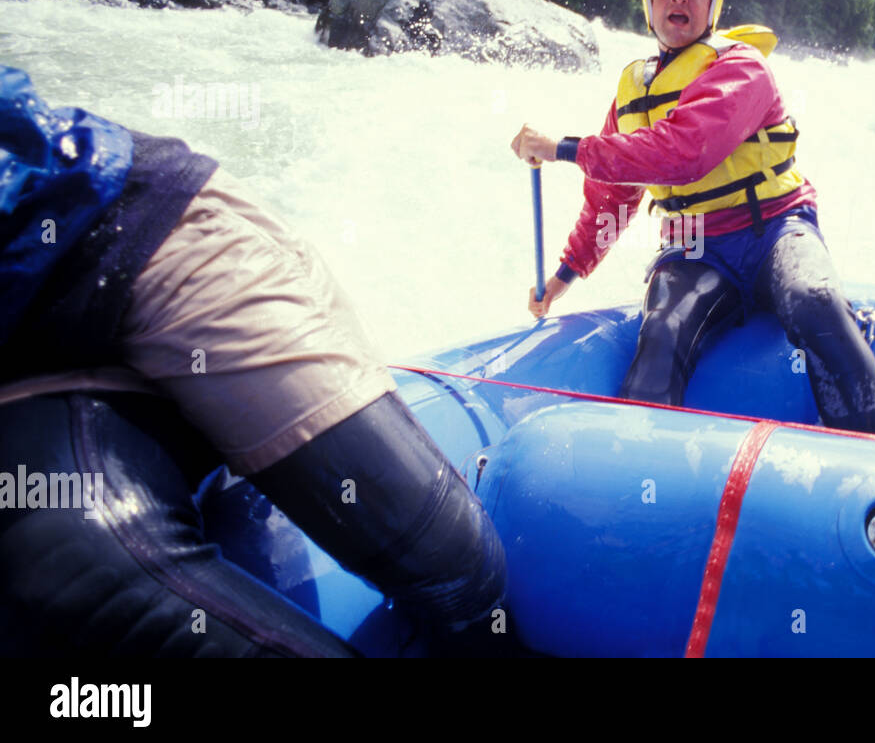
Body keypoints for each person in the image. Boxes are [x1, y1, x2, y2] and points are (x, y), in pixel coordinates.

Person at [0, 65, 505, 656]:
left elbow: (632, 161)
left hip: (133, 233)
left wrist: (567, 179)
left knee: (454, 567)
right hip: (25, 346)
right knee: (68, 570)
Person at [510, 0, 875, 434]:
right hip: (696, 245)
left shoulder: (741, 67)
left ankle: (869, 458)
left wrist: (562, 148)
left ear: (713, 5)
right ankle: (646, 479)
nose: (678, 0)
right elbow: (612, 197)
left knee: (812, 299)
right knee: (662, 331)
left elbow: (682, 153)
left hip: (776, 228)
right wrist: (565, 274)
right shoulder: (633, 88)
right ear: (649, 5)